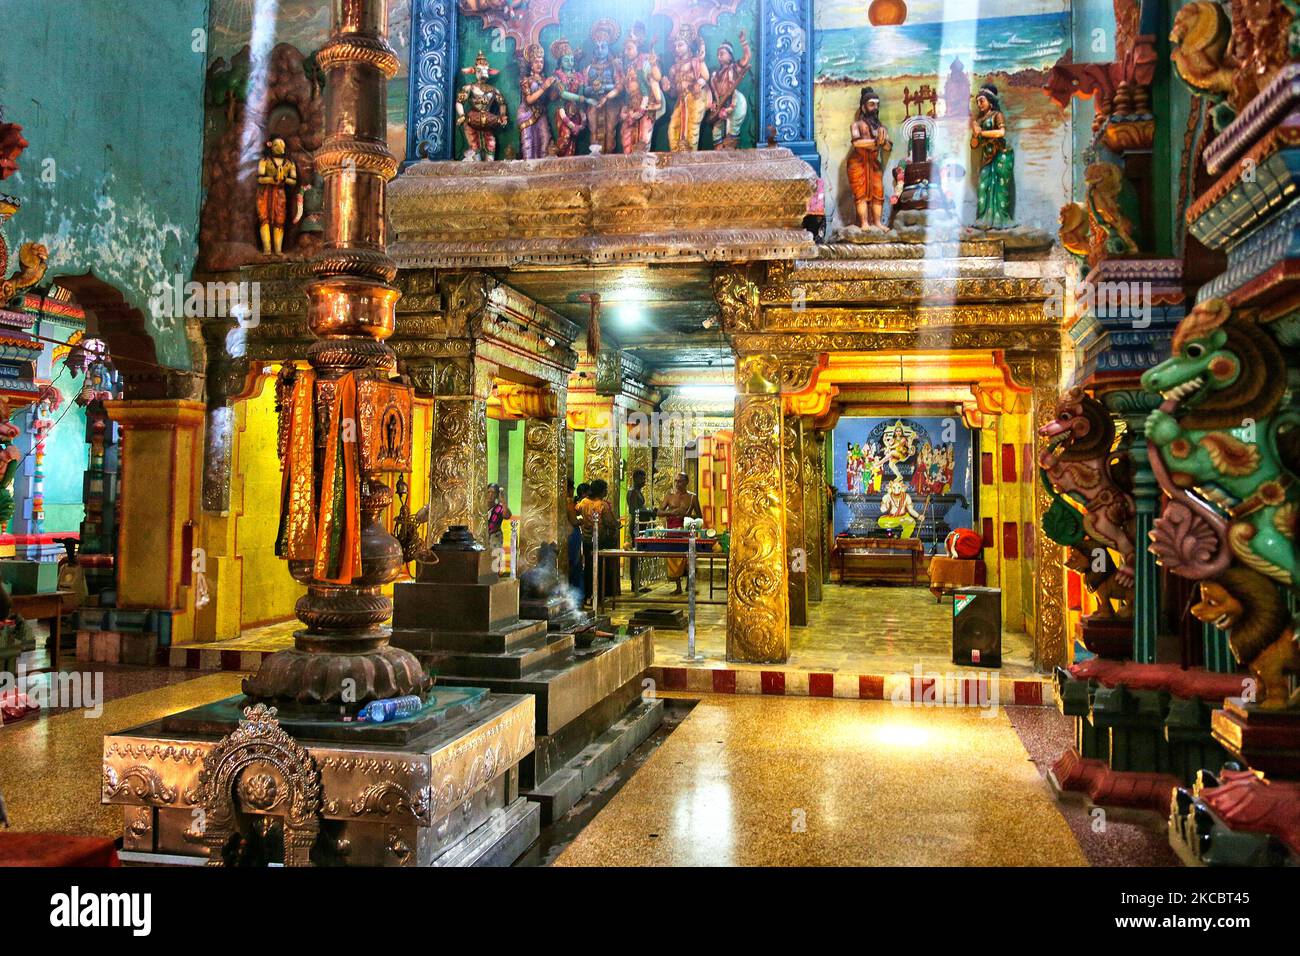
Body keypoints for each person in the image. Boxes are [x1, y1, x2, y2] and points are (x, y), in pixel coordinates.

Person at [847, 87, 890, 229]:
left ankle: (878, 222)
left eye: (877, 104)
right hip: (857, 163)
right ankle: (864, 223)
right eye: (872, 104)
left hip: (873, 163)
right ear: (863, 107)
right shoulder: (856, 125)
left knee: (878, 193)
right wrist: (875, 142)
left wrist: (883, 142)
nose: (875, 108)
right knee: (860, 194)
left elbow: (888, 147)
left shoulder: (881, 127)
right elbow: (857, 143)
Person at [575, 479, 620, 604]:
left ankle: (587, 594)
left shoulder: (583, 502)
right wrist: (617, 524)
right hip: (600, 540)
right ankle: (599, 595)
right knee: (600, 567)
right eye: (605, 489)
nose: (606, 491)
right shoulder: (602, 505)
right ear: (601, 491)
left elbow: (576, 510)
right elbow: (610, 522)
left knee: (588, 567)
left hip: (586, 539)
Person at [660, 472, 702, 595]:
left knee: (689, 558)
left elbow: (699, 516)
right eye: (676, 481)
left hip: (686, 531)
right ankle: (678, 586)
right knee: (673, 558)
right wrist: (671, 513)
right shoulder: (669, 496)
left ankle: (690, 585)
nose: (677, 484)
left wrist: (686, 515)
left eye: (680, 481)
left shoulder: (693, 497)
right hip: (672, 532)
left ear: (686, 482)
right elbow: (659, 511)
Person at [626, 468, 651, 593]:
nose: (644, 481)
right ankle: (634, 582)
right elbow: (634, 511)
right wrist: (649, 512)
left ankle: (639, 581)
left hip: (640, 525)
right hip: (635, 526)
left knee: (640, 554)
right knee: (636, 554)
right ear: (636, 478)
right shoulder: (632, 492)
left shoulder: (638, 492)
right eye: (642, 478)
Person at [567, 481, 590, 599]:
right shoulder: (569, 502)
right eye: (572, 488)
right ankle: (577, 595)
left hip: (565, 534)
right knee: (576, 563)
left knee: (570, 563)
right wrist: (581, 520)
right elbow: (574, 521)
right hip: (573, 533)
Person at [486, 482, 512, 563]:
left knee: (494, 562)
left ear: (497, 495)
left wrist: (503, 501)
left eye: (493, 493)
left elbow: (507, 515)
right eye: (488, 492)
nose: (490, 495)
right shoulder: (480, 508)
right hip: (483, 537)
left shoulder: (499, 508)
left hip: (495, 537)